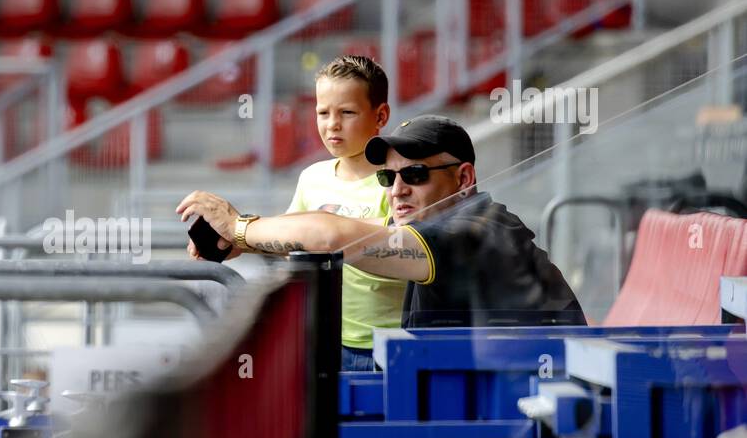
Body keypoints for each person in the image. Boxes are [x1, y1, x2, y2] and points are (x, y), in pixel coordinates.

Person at [178, 114, 586, 330]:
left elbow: (329, 234)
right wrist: (245, 243)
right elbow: (345, 231)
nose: (397, 190)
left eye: (415, 174)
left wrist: (240, 227)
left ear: (462, 178)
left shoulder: (475, 229)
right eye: (388, 177)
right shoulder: (445, 221)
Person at [273, 55, 406, 370]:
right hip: (323, 339)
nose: (332, 123)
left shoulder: (398, 181)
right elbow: (289, 240)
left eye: (347, 112)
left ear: (381, 115)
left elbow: (404, 250)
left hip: (386, 346)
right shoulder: (312, 178)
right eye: (323, 112)